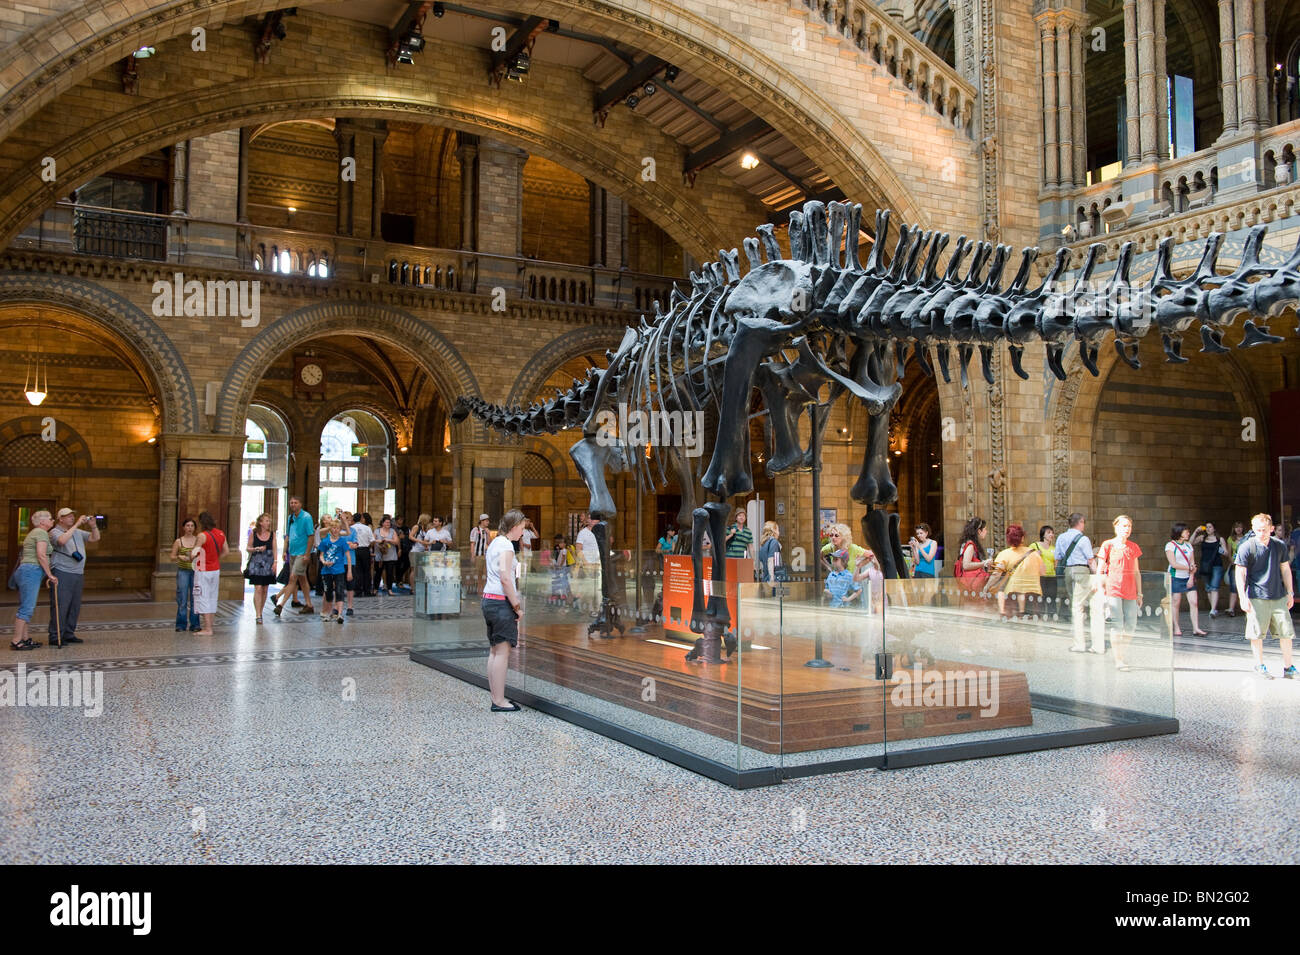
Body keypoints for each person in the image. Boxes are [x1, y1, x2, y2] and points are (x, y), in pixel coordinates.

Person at [1235, 513, 1296, 679]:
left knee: (1286, 633)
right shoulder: (1246, 547)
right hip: (1256, 596)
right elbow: (1240, 572)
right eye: (1258, 530)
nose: (1261, 533)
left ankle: (1288, 666)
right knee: (1256, 633)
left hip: (1278, 595)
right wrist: (1242, 596)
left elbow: (1285, 569)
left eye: (1264, 530)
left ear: (1272, 529)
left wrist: (1290, 592)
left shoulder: (1279, 545)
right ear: (1253, 529)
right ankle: (1259, 664)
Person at [483, 509, 530, 712]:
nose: (523, 532)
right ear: (514, 527)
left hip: (489, 600)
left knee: (495, 652)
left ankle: (496, 697)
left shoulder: (495, 543)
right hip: (501, 603)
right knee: (502, 653)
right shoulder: (506, 547)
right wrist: (517, 606)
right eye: (522, 528)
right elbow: (505, 577)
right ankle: (499, 701)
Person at [47, 507, 100, 646]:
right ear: (61, 519)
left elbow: (95, 538)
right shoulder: (54, 532)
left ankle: (69, 633)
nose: (71, 518)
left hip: (78, 573)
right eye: (68, 516)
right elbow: (62, 541)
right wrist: (76, 524)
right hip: (62, 572)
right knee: (61, 604)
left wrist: (93, 526)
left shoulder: (77, 532)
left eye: (72, 516)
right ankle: (56, 635)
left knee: (74, 605)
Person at [1096, 515, 1143, 670]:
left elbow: (1137, 572)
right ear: (1116, 527)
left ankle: (1120, 653)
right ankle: (1119, 660)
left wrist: (1140, 593)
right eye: (1124, 526)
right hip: (1114, 589)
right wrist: (1100, 588)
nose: (1127, 529)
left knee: (1131, 625)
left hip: (1130, 590)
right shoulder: (1108, 545)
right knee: (1117, 623)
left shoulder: (1133, 546)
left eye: (1129, 526)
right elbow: (1100, 569)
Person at [1056, 512, 1102, 653]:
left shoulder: (1061, 537)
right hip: (1082, 570)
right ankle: (1095, 644)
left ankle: (1079, 642)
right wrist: (1097, 576)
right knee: (1090, 606)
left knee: (1076, 607)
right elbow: (1090, 559)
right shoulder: (1083, 539)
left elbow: (1057, 558)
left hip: (1068, 571)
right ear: (1080, 522)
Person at [9, 510, 54, 650]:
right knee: (27, 607)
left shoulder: (34, 532)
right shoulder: (41, 533)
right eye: (50, 518)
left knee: (26, 605)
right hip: (31, 571)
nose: (53, 520)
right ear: (42, 522)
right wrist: (50, 575)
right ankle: (16, 641)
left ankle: (25, 638)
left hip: (27, 571)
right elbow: (41, 555)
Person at [273, 496, 315, 617]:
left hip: (302, 553)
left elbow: (311, 536)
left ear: (300, 504)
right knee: (302, 579)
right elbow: (288, 535)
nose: (293, 505)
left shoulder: (306, 517)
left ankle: (281, 604)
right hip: (293, 552)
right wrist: (285, 551)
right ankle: (309, 604)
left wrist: (307, 554)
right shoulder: (290, 517)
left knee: (293, 578)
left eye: (295, 502)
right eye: (291, 503)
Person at [991, 524, 1041, 619]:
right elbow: (1043, 571)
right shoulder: (1033, 553)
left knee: (1001, 588)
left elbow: (997, 573)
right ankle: (1021, 612)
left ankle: (1002, 612)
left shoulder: (1004, 554)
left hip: (1013, 588)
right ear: (1022, 538)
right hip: (1033, 590)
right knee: (1020, 589)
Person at [1166, 523, 1206, 637]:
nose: (1188, 533)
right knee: (1176, 603)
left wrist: (1191, 575)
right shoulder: (1170, 546)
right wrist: (1188, 568)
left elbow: (1192, 562)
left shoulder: (1188, 546)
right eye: (1186, 531)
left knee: (1194, 602)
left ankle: (1196, 628)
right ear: (1179, 532)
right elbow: (1173, 564)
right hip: (1176, 577)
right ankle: (1177, 627)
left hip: (1188, 576)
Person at [193, 511, 228, 636]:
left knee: (203, 597)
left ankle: (207, 629)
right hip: (215, 569)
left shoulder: (202, 536)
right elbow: (226, 551)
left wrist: (188, 556)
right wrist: (215, 558)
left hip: (203, 570)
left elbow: (194, 552)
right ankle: (210, 626)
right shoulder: (220, 533)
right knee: (213, 597)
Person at [316, 517, 352, 624]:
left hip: (339, 570)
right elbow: (321, 555)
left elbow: (348, 556)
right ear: (330, 529)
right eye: (333, 528)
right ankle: (328, 612)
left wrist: (349, 570)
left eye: (337, 528)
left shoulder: (342, 541)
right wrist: (324, 562)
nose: (335, 530)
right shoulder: (325, 541)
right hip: (327, 570)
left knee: (340, 591)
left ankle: (339, 614)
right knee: (328, 592)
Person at [170, 518, 202, 632]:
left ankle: (195, 624)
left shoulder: (198, 540)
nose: (190, 528)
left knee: (195, 598)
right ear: (184, 527)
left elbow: (202, 554)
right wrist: (179, 556)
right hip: (183, 571)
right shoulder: (179, 541)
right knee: (182, 597)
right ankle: (181, 624)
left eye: (192, 526)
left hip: (195, 571)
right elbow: (172, 556)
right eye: (187, 525)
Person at [245, 512, 277, 624]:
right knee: (258, 587)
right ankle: (258, 614)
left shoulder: (272, 534)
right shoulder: (253, 533)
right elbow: (248, 548)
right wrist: (256, 549)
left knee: (265, 589)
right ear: (261, 522)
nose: (268, 523)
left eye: (269, 521)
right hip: (257, 562)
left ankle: (261, 610)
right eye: (266, 520)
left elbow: (274, 548)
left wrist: (275, 562)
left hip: (268, 562)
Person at [1194, 522, 1229, 618]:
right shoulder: (1202, 538)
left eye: (1210, 527)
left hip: (1216, 565)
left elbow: (1226, 553)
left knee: (1214, 587)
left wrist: (1221, 550)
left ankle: (1213, 610)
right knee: (1208, 588)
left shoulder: (1220, 539)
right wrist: (1196, 531)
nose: (1208, 529)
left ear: (1214, 529)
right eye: (1207, 527)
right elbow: (1190, 543)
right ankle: (1213, 609)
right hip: (1205, 565)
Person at [954, 517, 992, 597]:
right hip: (971, 584)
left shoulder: (968, 543)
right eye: (985, 529)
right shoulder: (970, 545)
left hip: (970, 584)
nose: (986, 531)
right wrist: (984, 563)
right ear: (979, 531)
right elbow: (966, 565)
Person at [575, 513, 601, 612]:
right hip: (587, 565)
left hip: (598, 564)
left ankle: (596, 609)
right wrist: (585, 563)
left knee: (597, 589)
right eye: (589, 518)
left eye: (592, 518)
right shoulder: (583, 533)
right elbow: (578, 549)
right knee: (588, 588)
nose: (590, 520)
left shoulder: (600, 532)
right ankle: (585, 608)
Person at [1030, 525, 1058, 615]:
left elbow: (1055, 563)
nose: (1051, 534)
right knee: (1040, 597)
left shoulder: (1054, 548)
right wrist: (1035, 554)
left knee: (1052, 597)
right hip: (1040, 576)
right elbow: (1027, 558)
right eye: (1049, 532)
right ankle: (1040, 615)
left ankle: (1051, 615)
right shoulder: (1035, 545)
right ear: (1043, 534)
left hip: (1051, 576)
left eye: (1052, 533)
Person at [373, 514, 400, 594]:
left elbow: (396, 541)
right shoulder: (377, 531)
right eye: (386, 522)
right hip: (379, 555)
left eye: (389, 523)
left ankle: (389, 589)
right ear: (382, 523)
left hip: (390, 555)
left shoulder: (393, 531)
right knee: (378, 573)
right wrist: (380, 541)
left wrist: (388, 540)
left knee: (390, 573)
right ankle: (375, 588)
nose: (388, 524)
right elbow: (372, 540)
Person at [350, 512, 375, 597]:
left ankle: (358, 591)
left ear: (353, 519)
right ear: (361, 519)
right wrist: (368, 546)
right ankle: (367, 591)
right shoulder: (367, 528)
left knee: (357, 571)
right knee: (366, 571)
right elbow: (372, 541)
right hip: (365, 550)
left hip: (355, 550)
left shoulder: (351, 528)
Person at [1226, 520, 1246, 616]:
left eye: (1240, 527)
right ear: (1234, 529)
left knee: (1246, 586)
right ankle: (1231, 609)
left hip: (1245, 565)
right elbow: (1229, 553)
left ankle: (1245, 607)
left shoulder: (1246, 538)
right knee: (1234, 586)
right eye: (1236, 527)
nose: (1238, 529)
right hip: (1235, 565)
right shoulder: (1231, 539)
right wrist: (1233, 562)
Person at [549, 533, 575, 606]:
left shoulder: (569, 548)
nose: (558, 544)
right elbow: (557, 556)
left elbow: (568, 557)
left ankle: (567, 594)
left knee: (565, 580)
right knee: (561, 580)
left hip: (567, 565)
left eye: (560, 542)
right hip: (562, 566)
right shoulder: (559, 548)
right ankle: (560, 594)